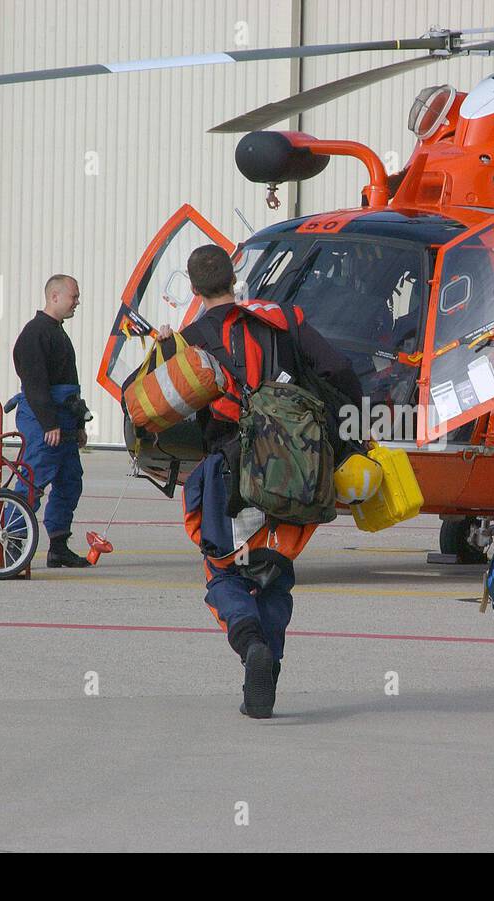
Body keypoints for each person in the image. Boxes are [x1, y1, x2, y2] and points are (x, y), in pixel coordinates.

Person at [168, 245, 362, 719]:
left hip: (229, 477)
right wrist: (342, 438)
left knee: (224, 574)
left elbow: (163, 419)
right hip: (295, 468)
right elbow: (341, 372)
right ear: (235, 279)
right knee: (275, 572)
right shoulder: (284, 320)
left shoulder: (186, 342)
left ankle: (250, 642)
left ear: (193, 289)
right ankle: (268, 669)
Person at [10, 274, 90, 567]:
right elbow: (34, 384)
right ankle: (11, 542)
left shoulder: (57, 332)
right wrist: (49, 424)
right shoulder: (35, 334)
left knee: (70, 481)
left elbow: (70, 384)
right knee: (34, 480)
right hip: (45, 421)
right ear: (54, 297)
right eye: (74, 296)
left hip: (64, 420)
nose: (77, 302)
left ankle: (58, 546)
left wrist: (79, 426)